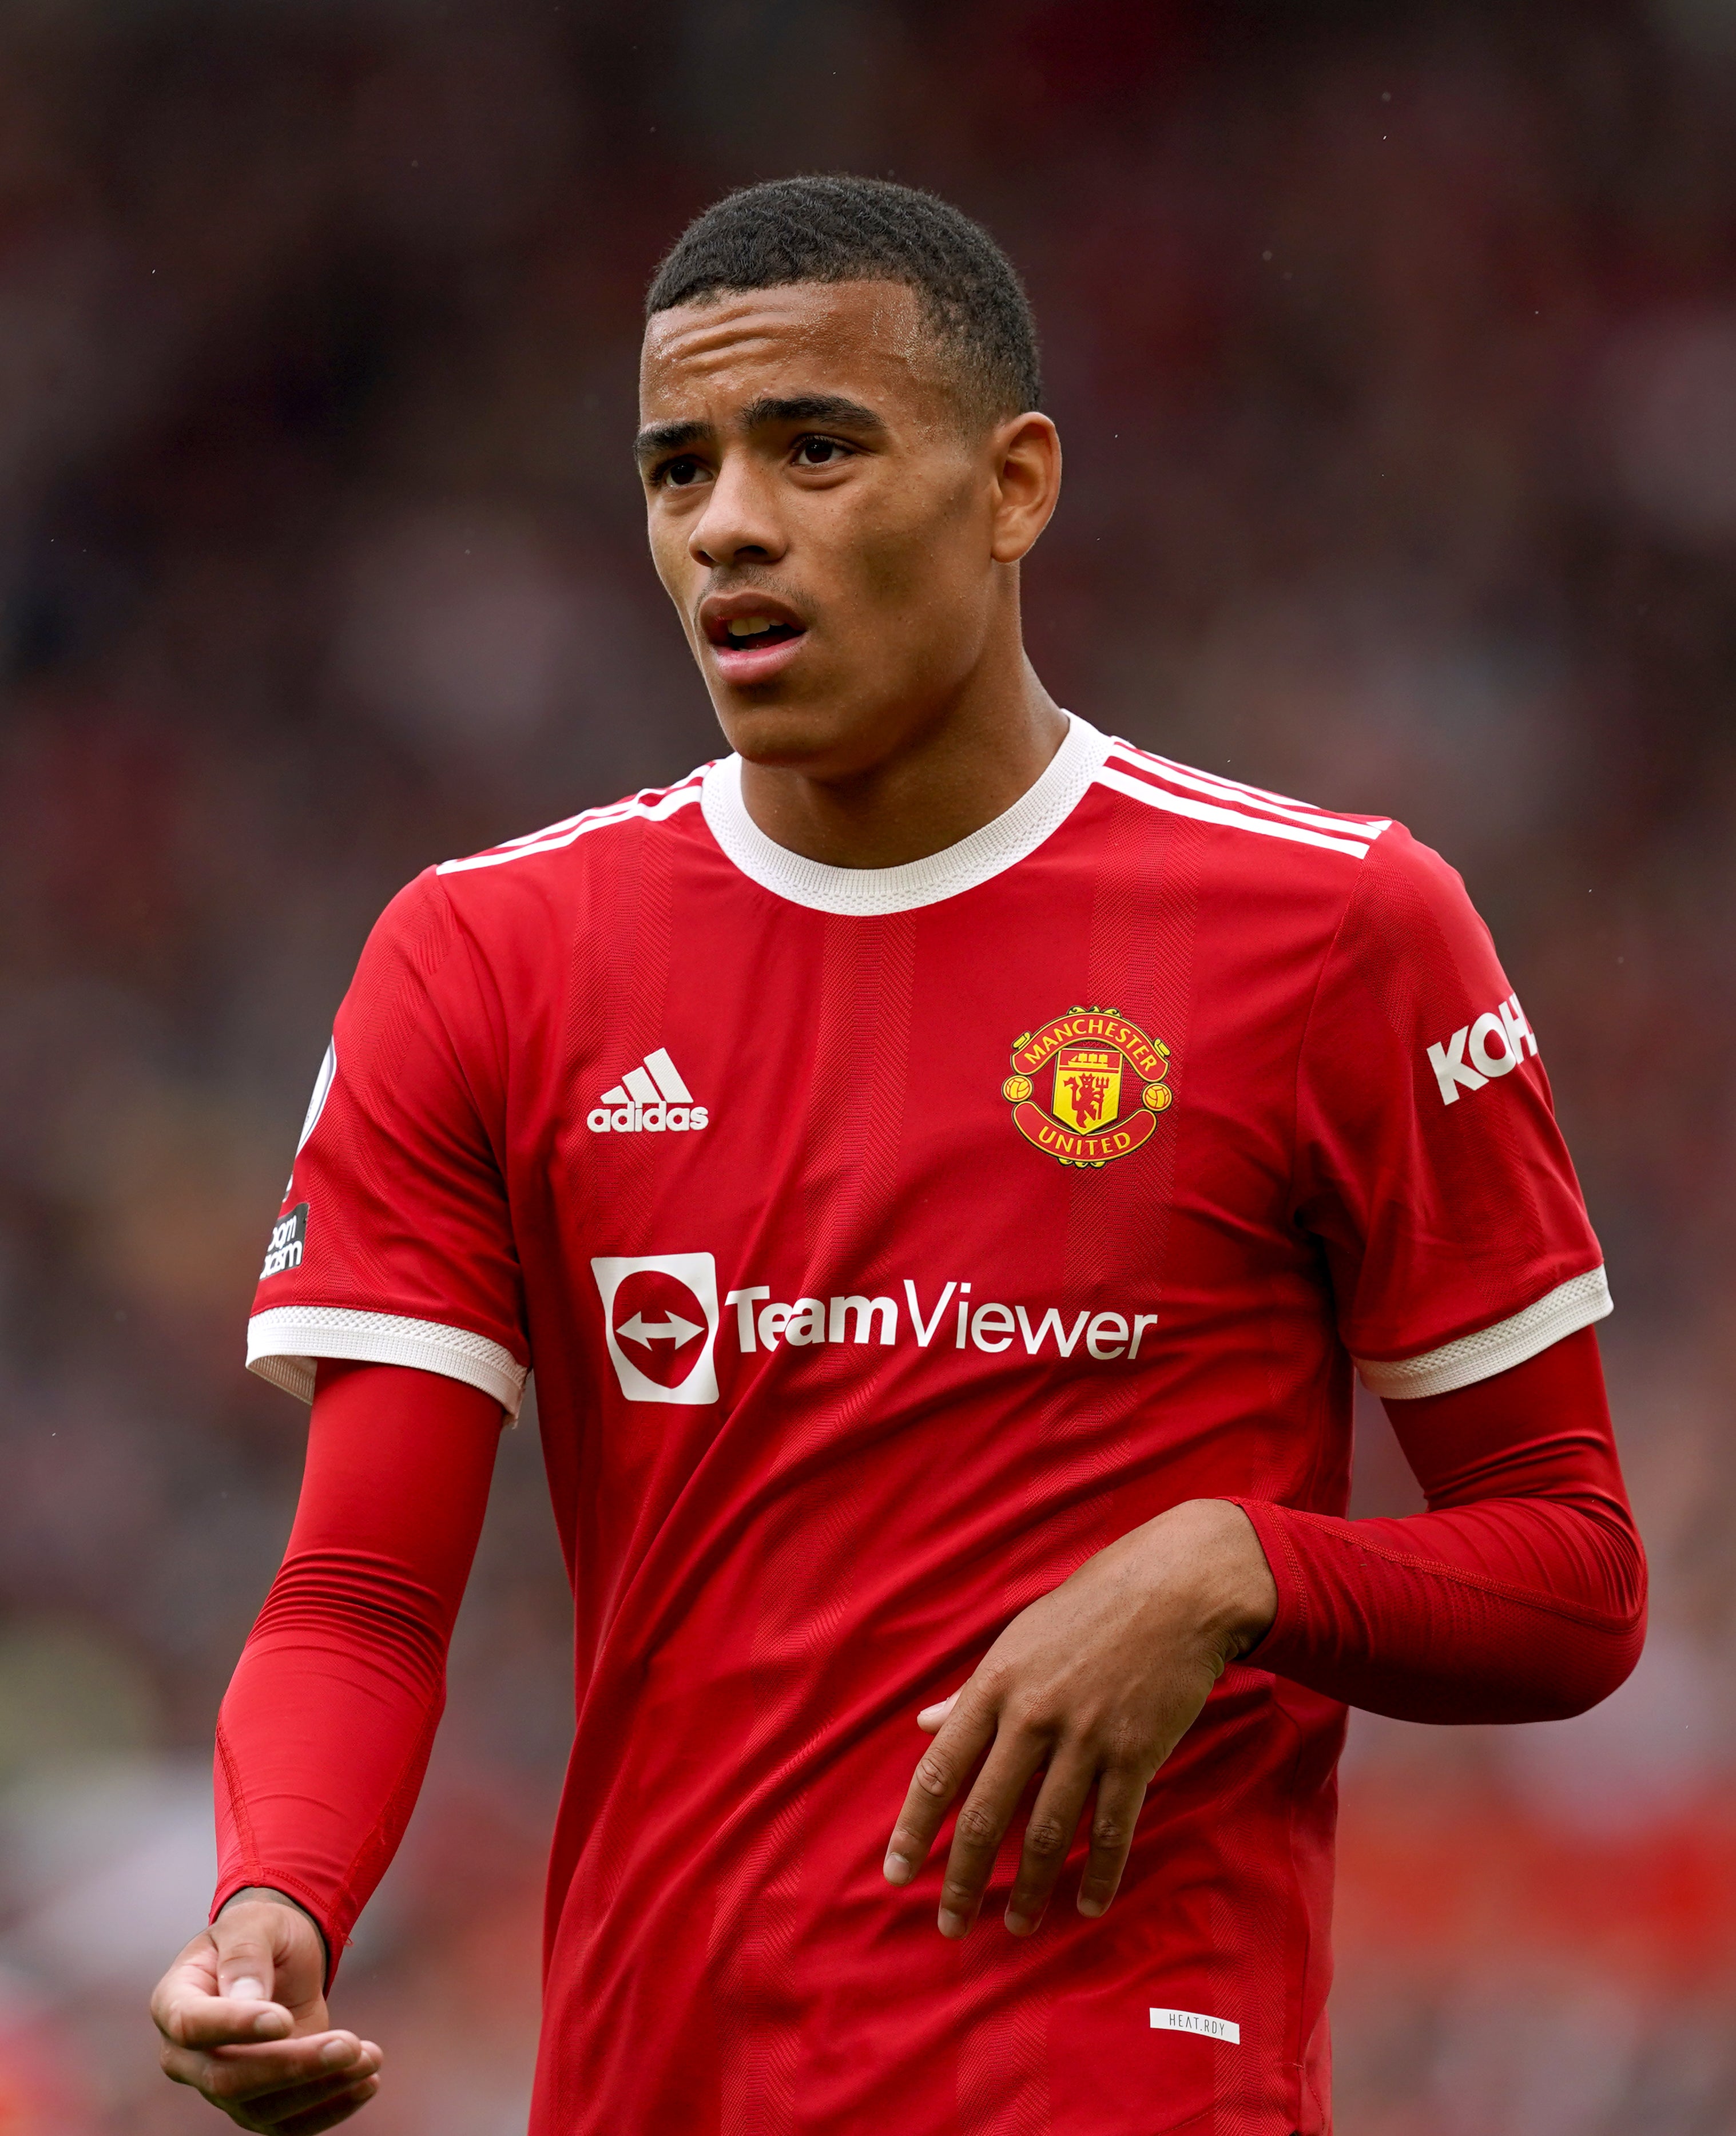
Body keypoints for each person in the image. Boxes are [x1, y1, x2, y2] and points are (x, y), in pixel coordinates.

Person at [150, 176, 1644, 2135]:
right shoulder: (489, 956)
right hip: (661, 2090)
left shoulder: (1336, 929)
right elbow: (359, 1594)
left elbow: (1570, 1576)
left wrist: (1232, 1568)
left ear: (1012, 484)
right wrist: (276, 1896)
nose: (727, 523)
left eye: (812, 447)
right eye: (677, 468)